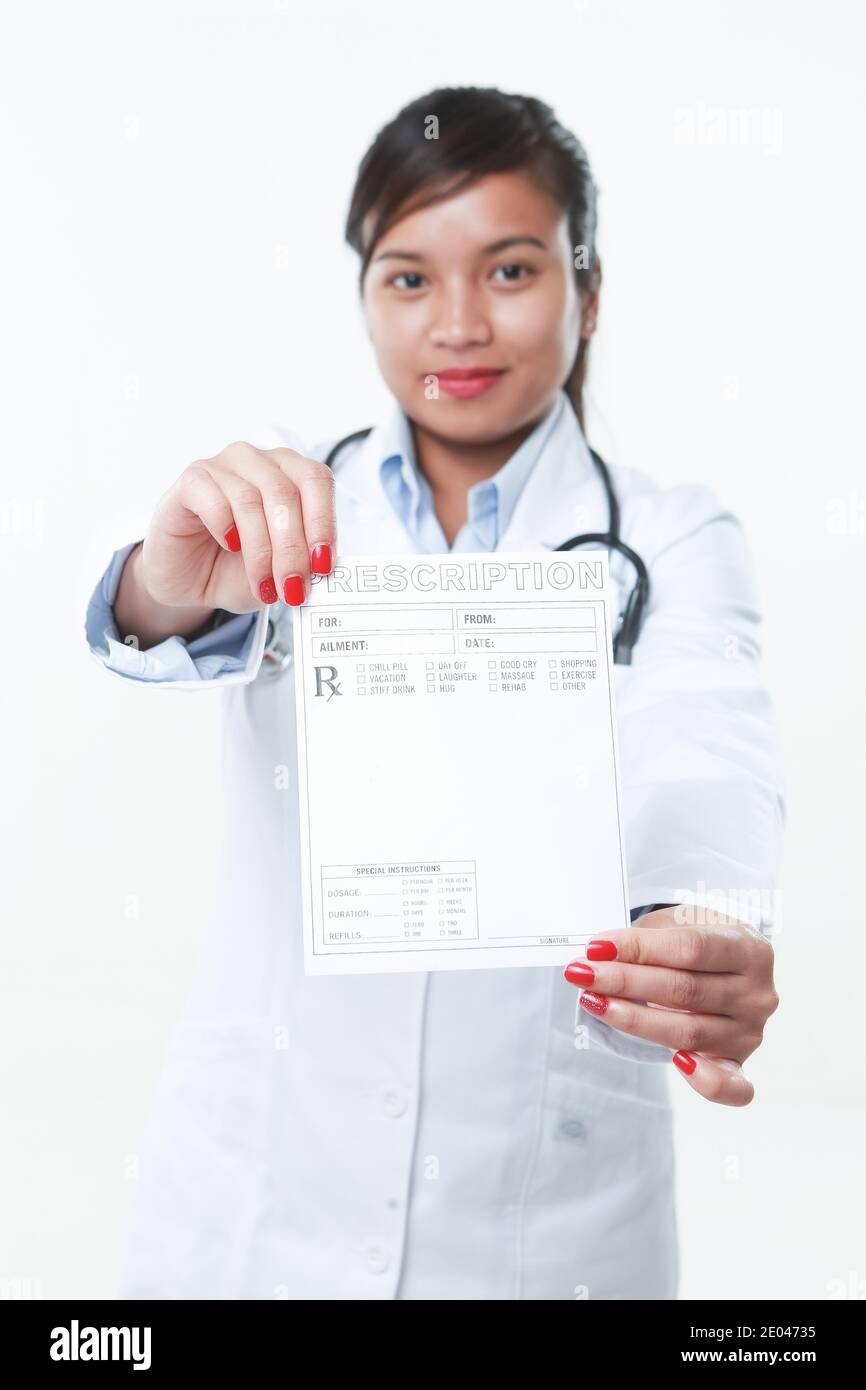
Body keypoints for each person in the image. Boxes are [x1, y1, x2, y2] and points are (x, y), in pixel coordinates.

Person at [85, 86, 784, 1300]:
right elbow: (153, 621)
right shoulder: (282, 502)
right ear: (363, 297)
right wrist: (167, 576)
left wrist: (697, 916)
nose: (456, 325)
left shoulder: (668, 537)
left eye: (508, 271)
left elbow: (705, 741)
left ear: (588, 289)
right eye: (408, 278)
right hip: (263, 1196)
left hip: (543, 1221)